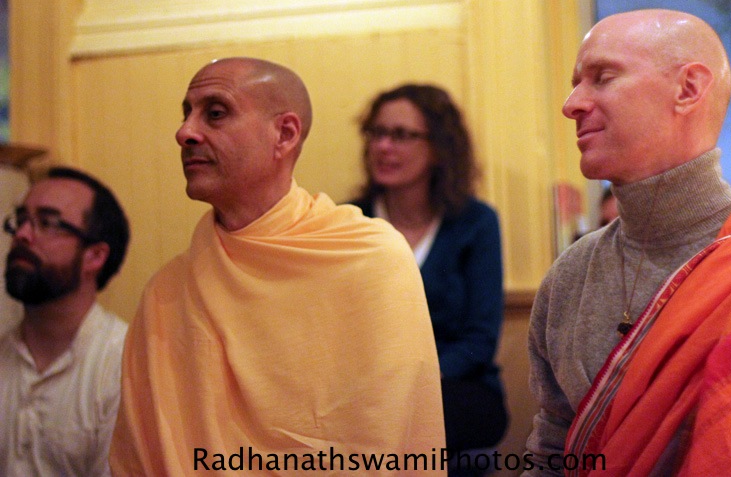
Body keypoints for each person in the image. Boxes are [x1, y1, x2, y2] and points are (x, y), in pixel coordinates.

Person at [110, 58, 445, 475]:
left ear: (284, 134)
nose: (185, 133)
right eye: (186, 113)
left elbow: (385, 439)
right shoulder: (166, 292)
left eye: (215, 113)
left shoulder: (368, 257)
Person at [524, 9, 731, 476]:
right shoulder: (568, 276)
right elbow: (552, 449)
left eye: (602, 77)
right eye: (575, 83)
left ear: (689, 89)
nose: (572, 103)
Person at [349, 84, 508, 462]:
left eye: (401, 135)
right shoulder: (348, 222)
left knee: (429, 421)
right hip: (365, 390)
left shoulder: (476, 223)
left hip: (454, 385)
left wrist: (409, 382)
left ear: (439, 147)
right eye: (377, 132)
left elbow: (479, 342)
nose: (383, 147)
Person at [0, 166, 130, 476]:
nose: (22, 235)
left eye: (48, 222)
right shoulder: (4, 354)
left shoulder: (124, 365)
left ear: (94, 257)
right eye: (21, 220)